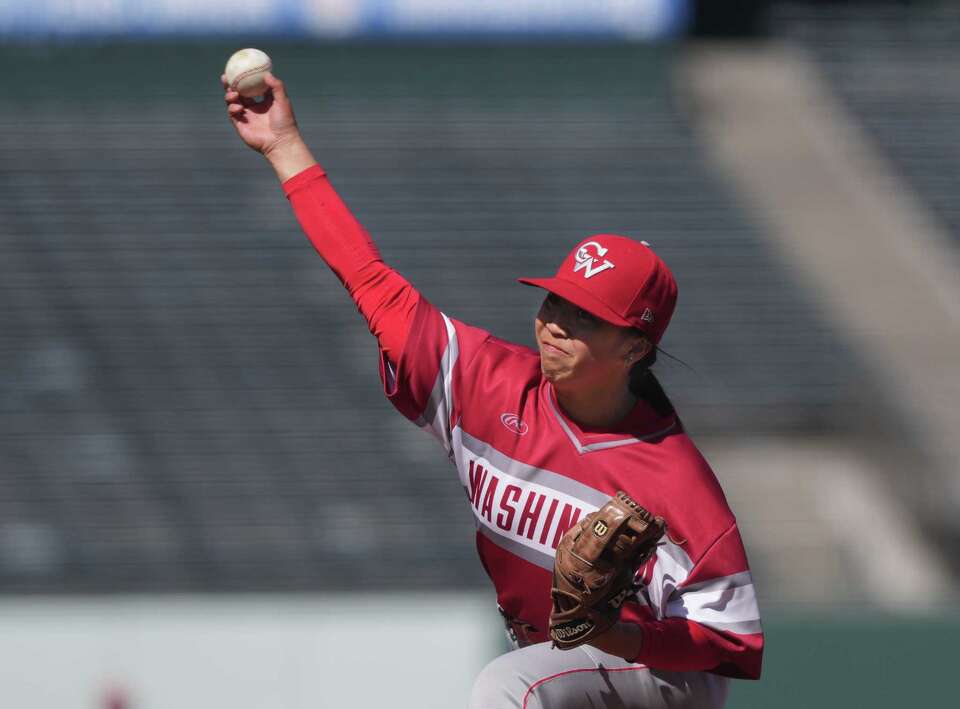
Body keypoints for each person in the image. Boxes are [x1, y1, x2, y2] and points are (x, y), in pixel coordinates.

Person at [223, 71, 763, 709]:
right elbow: (368, 279)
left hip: (663, 678)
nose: (557, 323)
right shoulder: (482, 381)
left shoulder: (677, 482)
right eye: (555, 302)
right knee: (525, 679)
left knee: (509, 687)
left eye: (587, 317)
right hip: (561, 667)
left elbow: (736, 642)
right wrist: (285, 148)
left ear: (636, 348)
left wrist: (617, 634)